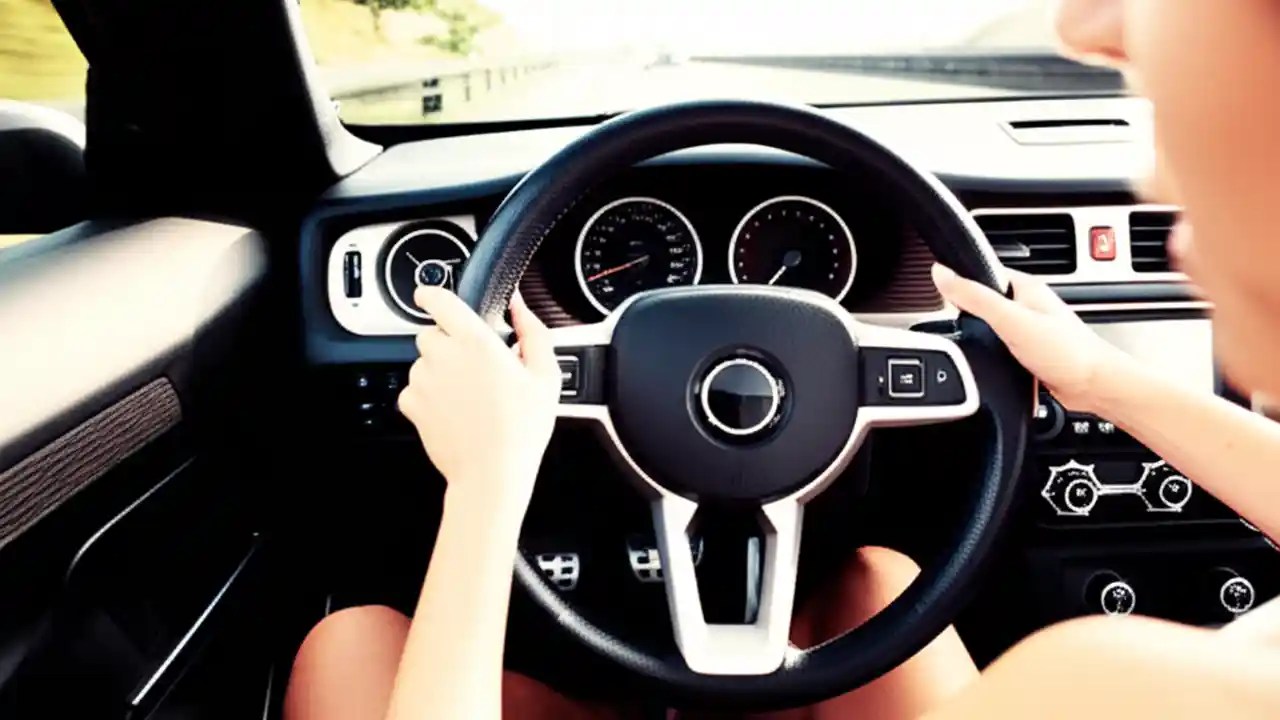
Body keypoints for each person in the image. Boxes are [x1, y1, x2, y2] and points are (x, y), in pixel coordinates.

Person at [285, 0, 1280, 717]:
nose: (1085, 23)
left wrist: (487, 482)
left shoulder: (1112, 687)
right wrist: (1099, 380)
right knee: (871, 583)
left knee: (349, 651)